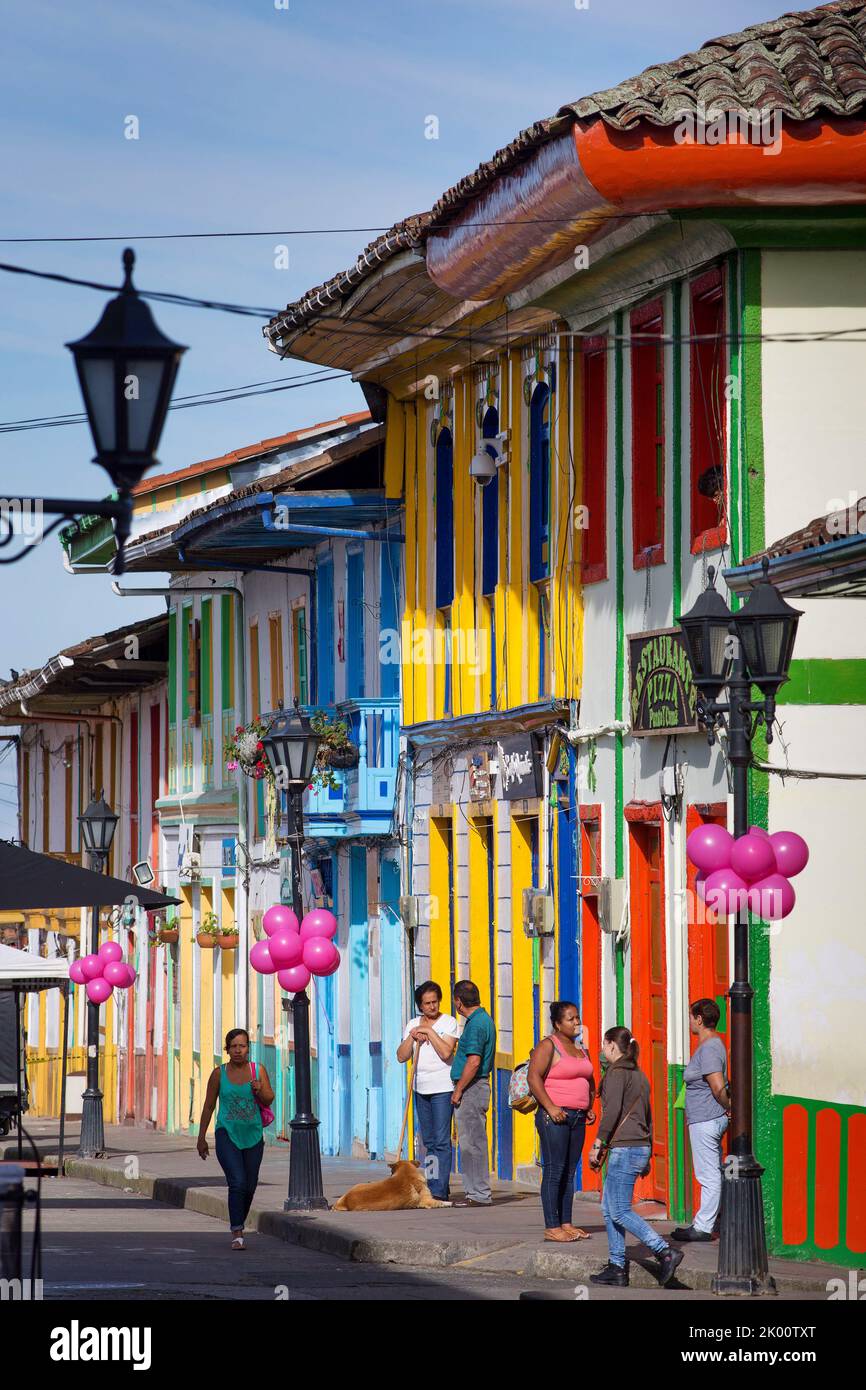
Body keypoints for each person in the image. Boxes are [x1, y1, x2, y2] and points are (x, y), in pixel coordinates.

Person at [588, 1026, 683, 1288]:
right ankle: (617, 1266)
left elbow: (612, 1112)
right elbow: (648, 1116)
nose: (602, 1050)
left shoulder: (617, 1074)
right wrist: (649, 1150)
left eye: (604, 1045)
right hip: (637, 1146)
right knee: (609, 1210)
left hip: (625, 1148)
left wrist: (598, 1142)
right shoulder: (640, 1076)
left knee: (618, 1210)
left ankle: (664, 1251)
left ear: (611, 1046)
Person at [197, 1027, 274, 1250]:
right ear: (227, 1049)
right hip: (226, 1134)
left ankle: (239, 1219)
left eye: (242, 1046)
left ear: (248, 1048)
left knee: (250, 1185)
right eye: (233, 1046)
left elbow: (269, 1099)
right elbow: (209, 1106)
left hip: (252, 1135)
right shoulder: (219, 1074)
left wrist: (260, 1089)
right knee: (237, 1181)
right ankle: (237, 1232)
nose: (238, 1050)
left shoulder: (257, 1070)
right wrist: (201, 1138)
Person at [528, 1000, 596, 1242]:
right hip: (554, 1117)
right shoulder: (549, 1046)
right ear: (558, 1024)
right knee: (554, 1169)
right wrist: (550, 1106)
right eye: (570, 1019)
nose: (576, 1022)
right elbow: (533, 1077)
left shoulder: (580, 1048)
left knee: (569, 1171)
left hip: (577, 1116)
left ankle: (566, 1222)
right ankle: (552, 1225)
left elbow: (589, 1079)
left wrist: (588, 1105)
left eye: (577, 1017)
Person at [671, 998, 731, 1243]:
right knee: (710, 1173)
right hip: (704, 1118)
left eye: (691, 1016)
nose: (689, 1021)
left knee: (708, 1175)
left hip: (707, 1120)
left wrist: (729, 1107)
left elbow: (717, 1086)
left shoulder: (709, 1048)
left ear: (699, 1019)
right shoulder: (709, 1046)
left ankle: (704, 1226)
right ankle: (704, 1221)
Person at [396, 980, 459, 1201]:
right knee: (429, 1141)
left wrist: (428, 1032)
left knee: (442, 1141)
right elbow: (402, 1056)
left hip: (442, 1089)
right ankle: (433, 1183)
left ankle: (439, 1190)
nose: (432, 1007)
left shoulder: (449, 1023)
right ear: (420, 1006)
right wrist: (413, 1036)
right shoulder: (412, 1024)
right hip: (420, 1088)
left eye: (435, 1002)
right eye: (427, 1003)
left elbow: (446, 1052)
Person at [450, 979, 496, 1208]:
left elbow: (474, 1061)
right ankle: (474, 1191)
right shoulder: (480, 1020)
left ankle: (479, 1193)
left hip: (472, 1087)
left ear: (458, 1002)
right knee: (470, 1141)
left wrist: (458, 1090)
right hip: (474, 1086)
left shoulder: (477, 1024)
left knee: (472, 1143)